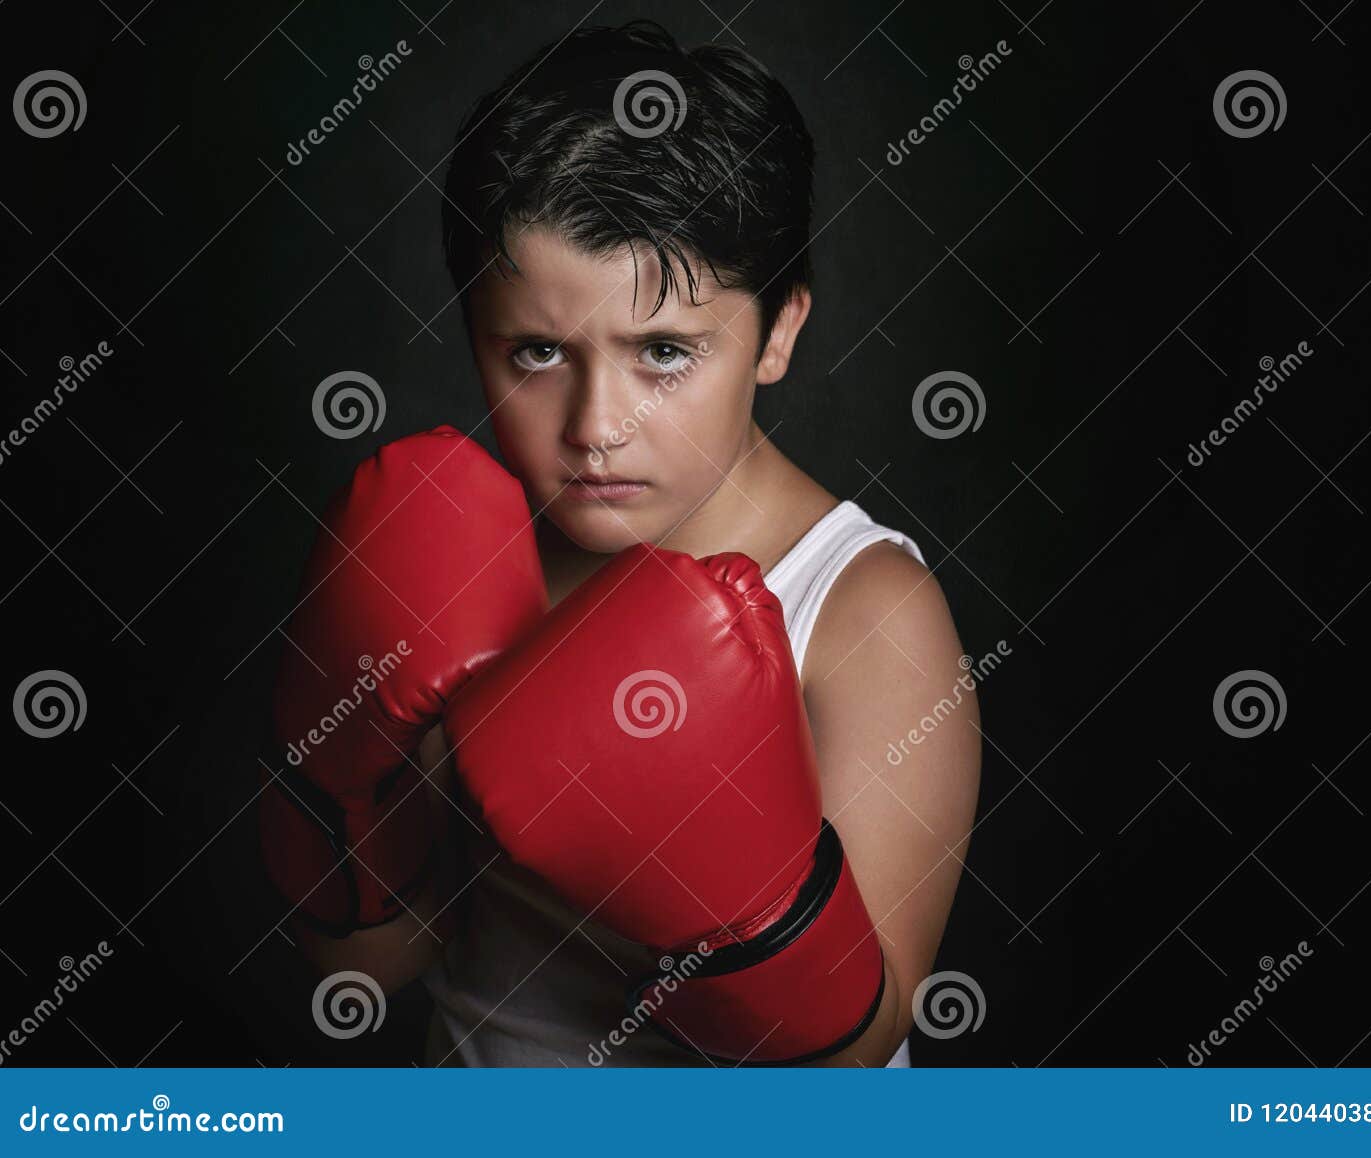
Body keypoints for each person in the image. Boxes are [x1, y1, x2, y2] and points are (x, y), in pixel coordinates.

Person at [263, 19, 981, 1067]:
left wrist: (731, 906)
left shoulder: (861, 606)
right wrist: (344, 783)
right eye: (540, 350)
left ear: (778, 330)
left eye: (664, 353)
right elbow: (365, 967)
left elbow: (854, 1054)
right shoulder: (457, 567)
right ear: (473, 332)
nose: (597, 425)